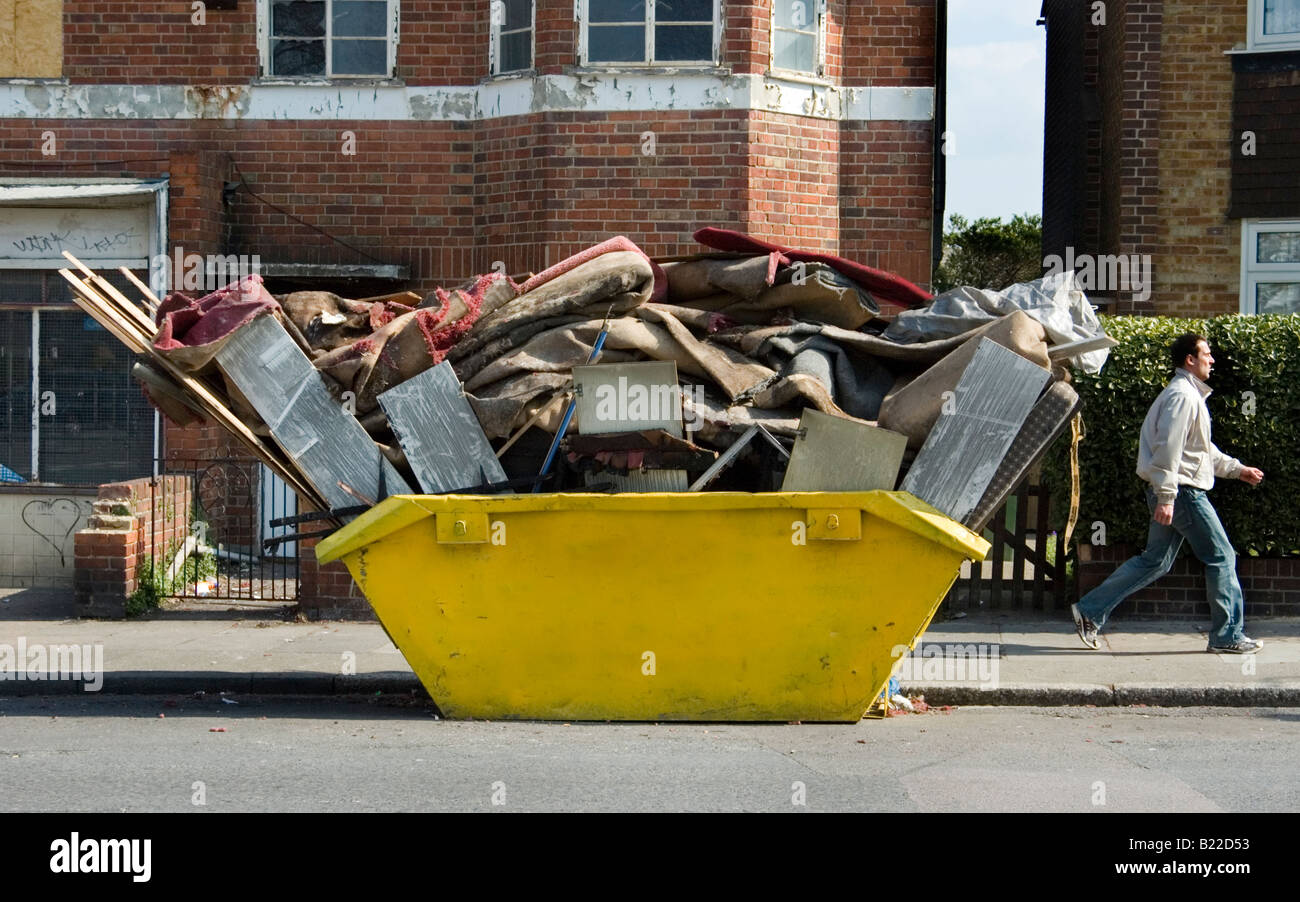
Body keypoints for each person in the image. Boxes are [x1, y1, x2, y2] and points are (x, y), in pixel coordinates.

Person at [1071, 333, 1265, 654]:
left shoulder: (1189, 396)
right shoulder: (1182, 397)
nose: (1212, 360)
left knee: (1155, 560)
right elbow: (1167, 450)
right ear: (1190, 360)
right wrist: (1167, 497)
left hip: (1178, 490)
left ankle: (1090, 611)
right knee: (1221, 556)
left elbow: (1199, 452)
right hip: (1185, 494)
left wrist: (1237, 469)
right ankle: (1227, 636)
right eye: (1206, 354)